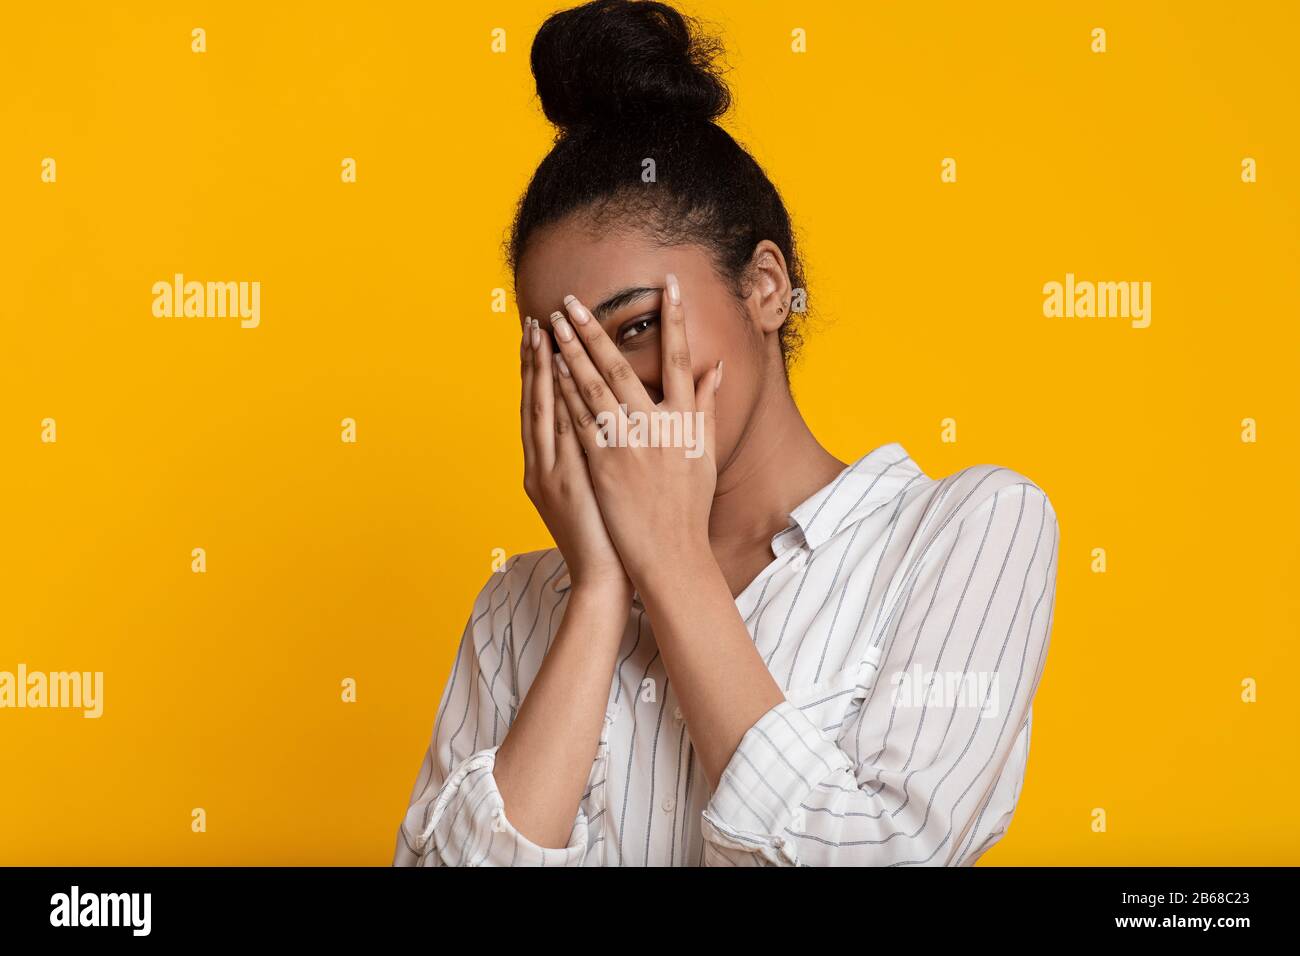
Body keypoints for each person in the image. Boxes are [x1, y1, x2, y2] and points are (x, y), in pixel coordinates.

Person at [394, 0, 1059, 867]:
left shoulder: (968, 531)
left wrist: (672, 560)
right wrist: (599, 592)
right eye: (564, 357)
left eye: (631, 329)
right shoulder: (517, 610)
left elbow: (882, 855)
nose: (607, 390)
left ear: (766, 289)